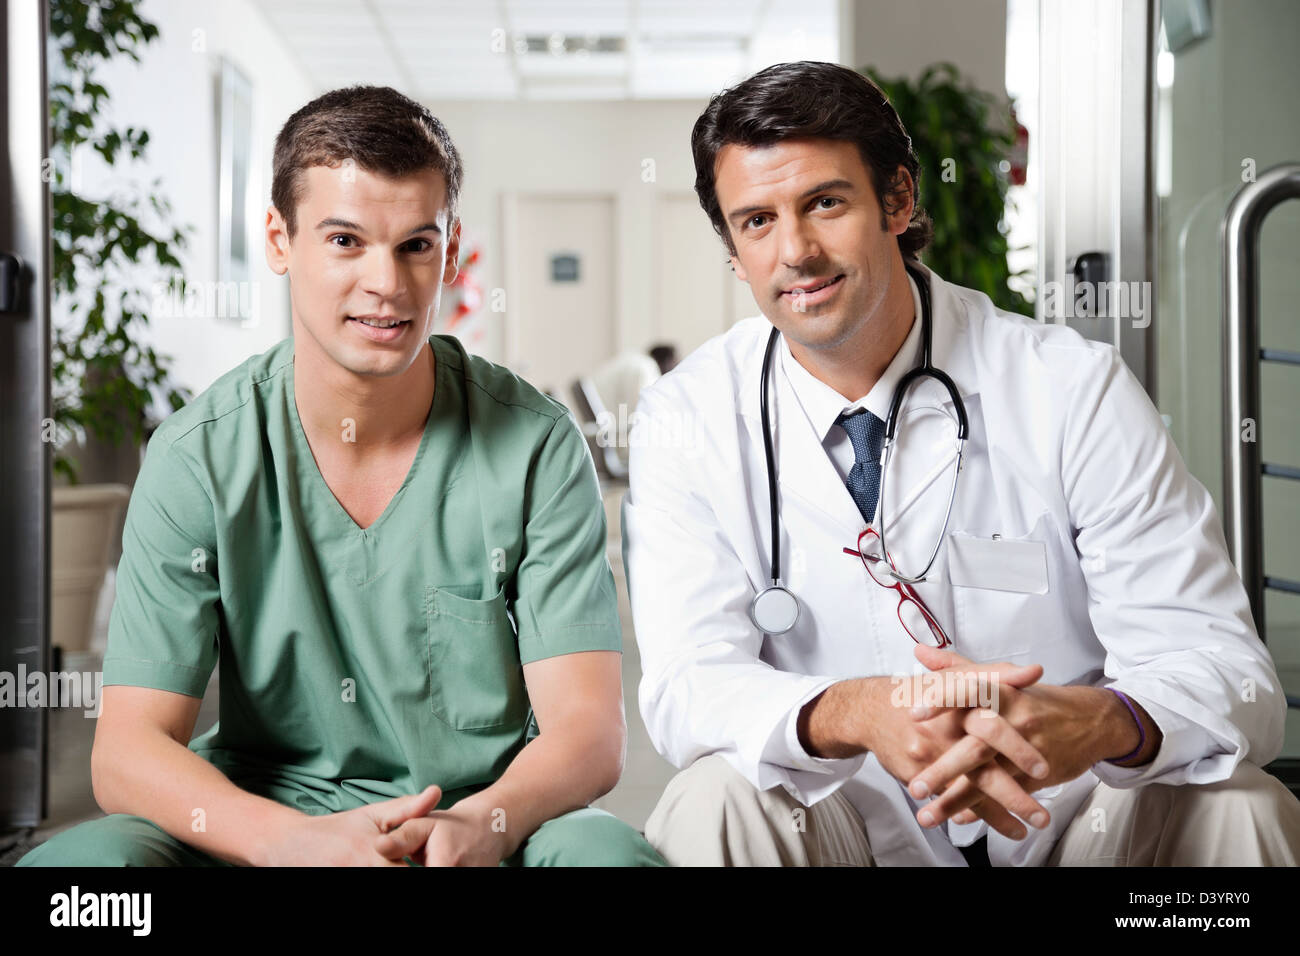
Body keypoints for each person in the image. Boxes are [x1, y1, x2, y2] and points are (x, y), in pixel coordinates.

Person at [622, 60, 1300, 866]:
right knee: (713, 803)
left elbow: (1229, 672)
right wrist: (855, 711)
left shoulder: (1069, 388)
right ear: (734, 251)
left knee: (1238, 806)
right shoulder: (688, 417)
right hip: (848, 833)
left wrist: (1103, 720)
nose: (796, 251)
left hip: (1075, 822)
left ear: (899, 201)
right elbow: (686, 686)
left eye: (825, 203)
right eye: (757, 222)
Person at [20, 86, 663, 868]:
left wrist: (482, 824)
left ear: (451, 251)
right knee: (77, 873)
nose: (386, 283)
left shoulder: (535, 445)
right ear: (280, 240)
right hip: (262, 828)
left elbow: (588, 733)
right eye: (346, 241)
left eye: (415, 245)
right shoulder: (198, 455)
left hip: (477, 825)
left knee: (608, 858)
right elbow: (125, 752)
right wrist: (287, 842)